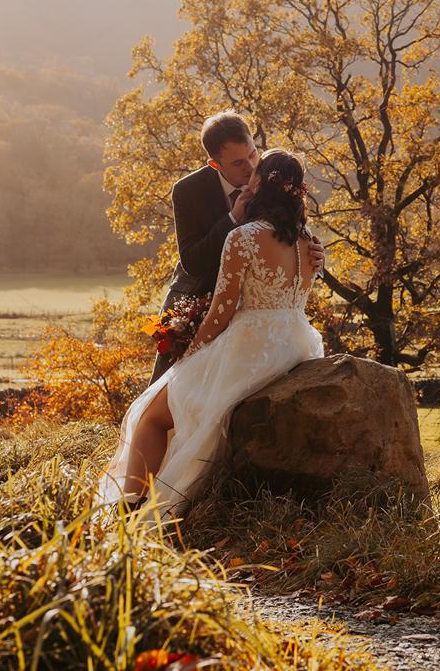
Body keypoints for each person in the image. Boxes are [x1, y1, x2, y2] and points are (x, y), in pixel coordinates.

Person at [97, 149, 324, 517]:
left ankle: (130, 508)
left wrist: (188, 356)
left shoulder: (244, 237)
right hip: (295, 344)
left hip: (250, 346)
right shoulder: (309, 241)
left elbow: (222, 313)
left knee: (151, 415)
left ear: (260, 184)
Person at [148, 111, 324, 384]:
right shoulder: (187, 191)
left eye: (253, 154)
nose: (251, 166)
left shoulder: (272, 175)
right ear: (215, 164)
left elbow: (292, 231)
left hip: (253, 305)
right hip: (197, 294)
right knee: (166, 385)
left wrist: (315, 254)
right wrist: (232, 219)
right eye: (238, 162)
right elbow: (192, 261)